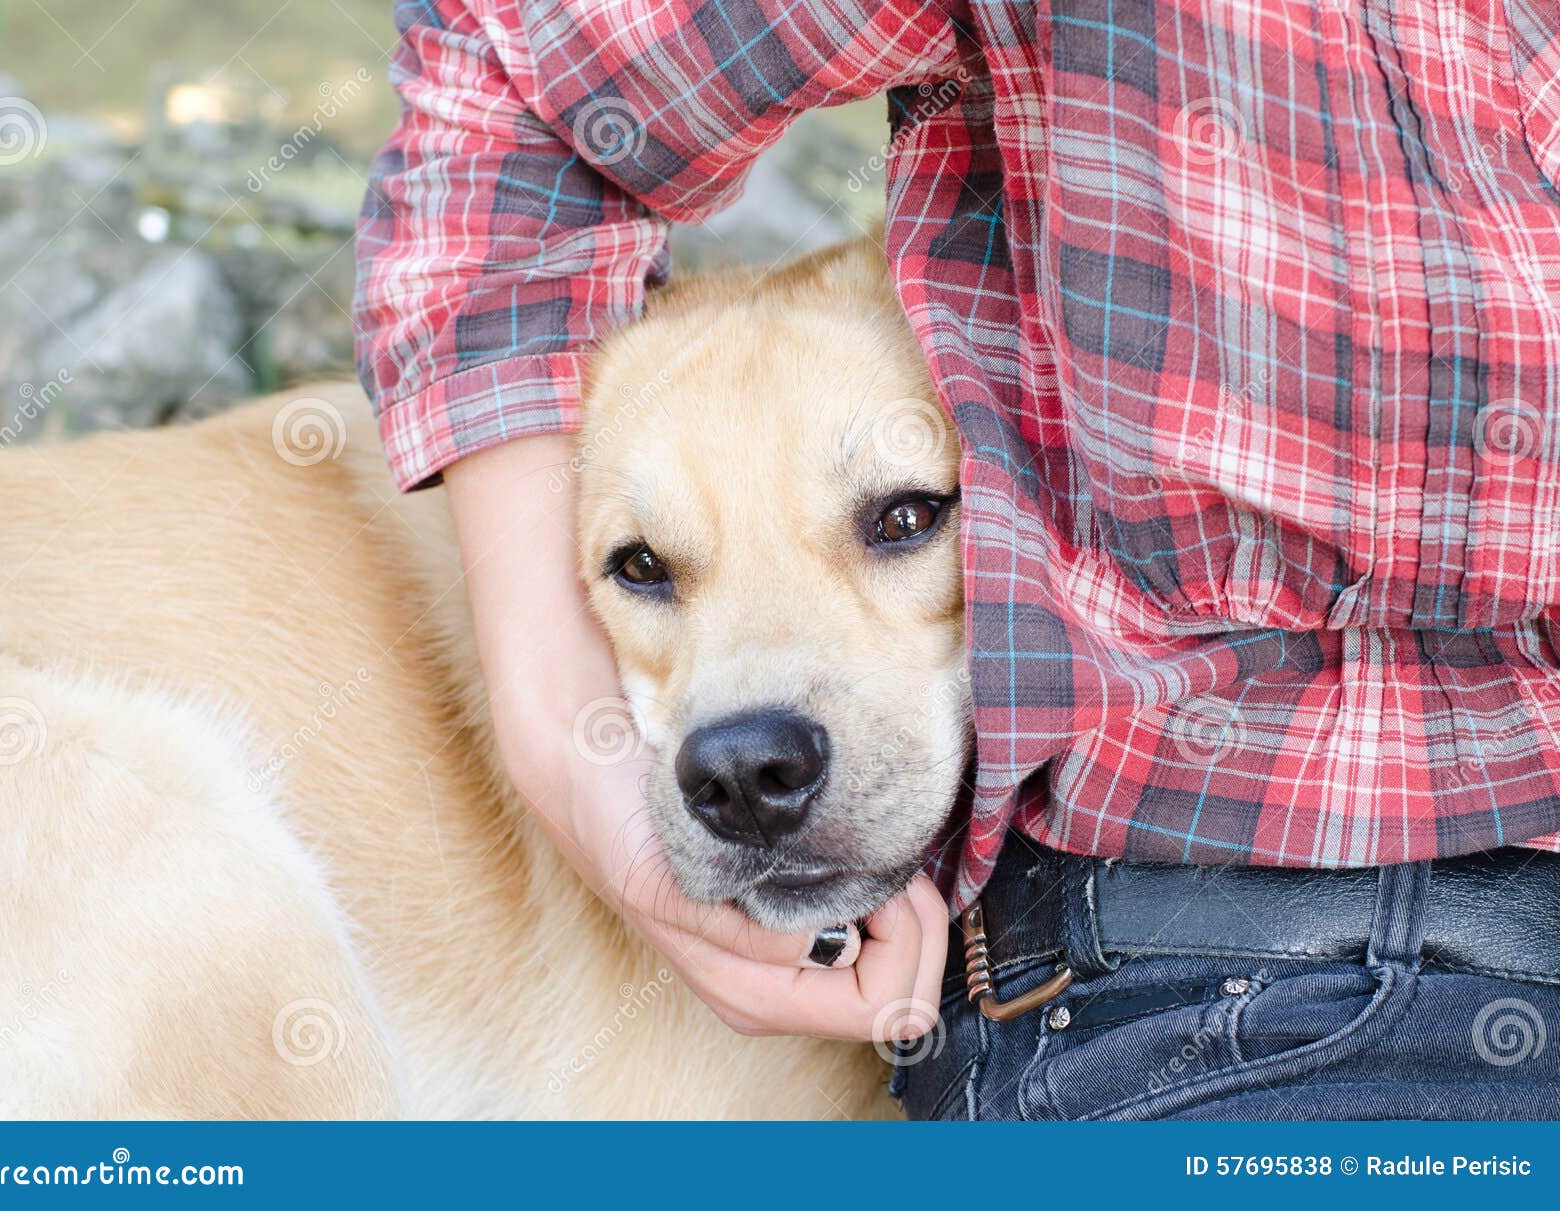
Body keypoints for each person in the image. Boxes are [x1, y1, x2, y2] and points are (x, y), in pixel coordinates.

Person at [356, 1, 1560, 1118]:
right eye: (646, 567)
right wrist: (567, 743)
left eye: (894, 524)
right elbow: (509, 70)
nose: (741, 732)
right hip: (1246, 947)